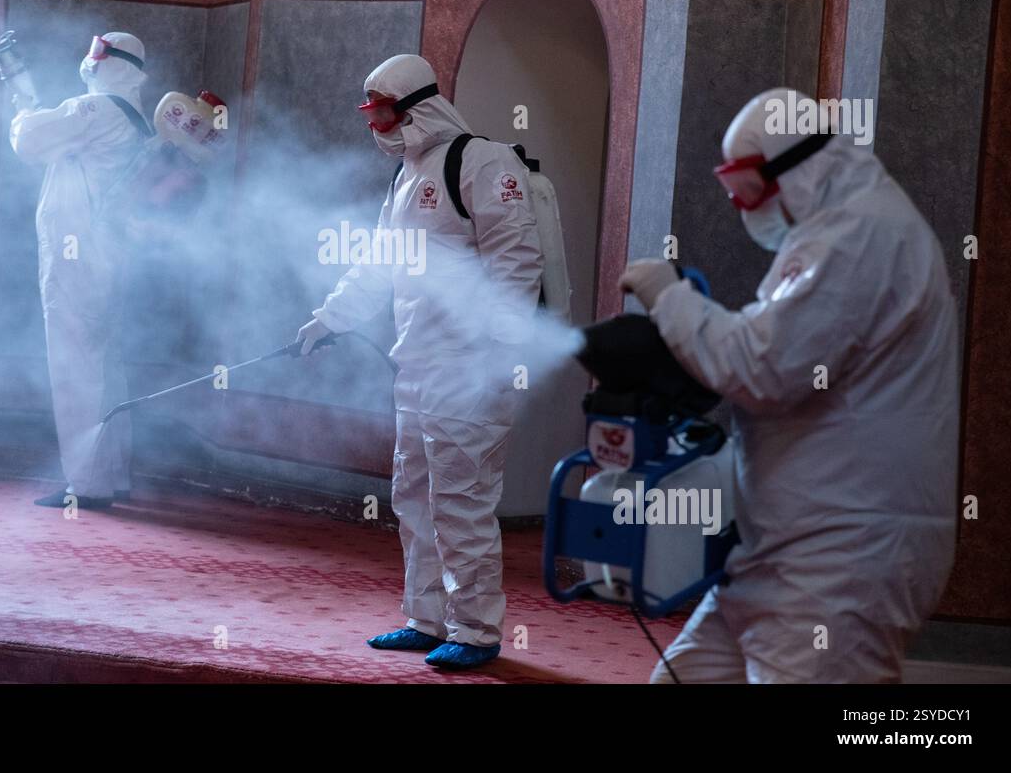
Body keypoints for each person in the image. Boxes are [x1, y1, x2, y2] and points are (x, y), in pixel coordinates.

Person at [620, 88, 958, 683]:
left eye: (748, 189)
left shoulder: (860, 237)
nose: (740, 208)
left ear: (800, 171)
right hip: (785, 550)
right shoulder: (834, 232)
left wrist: (669, 299)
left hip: (842, 556)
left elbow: (762, 368)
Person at [296, 54, 543, 670]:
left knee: (462, 500)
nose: (375, 126)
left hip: (470, 370)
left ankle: (478, 629)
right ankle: (427, 618)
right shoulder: (407, 176)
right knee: (415, 495)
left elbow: (518, 265)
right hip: (419, 367)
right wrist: (330, 319)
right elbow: (380, 265)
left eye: (382, 112)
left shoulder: (482, 162)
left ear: (415, 107)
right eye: (371, 114)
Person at [10, 32, 150, 510]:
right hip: (104, 258)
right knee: (105, 364)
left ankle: (87, 485)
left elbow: (29, 141)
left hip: (77, 261)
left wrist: (25, 103)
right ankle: (112, 474)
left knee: (75, 367)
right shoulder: (132, 118)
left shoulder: (99, 110)